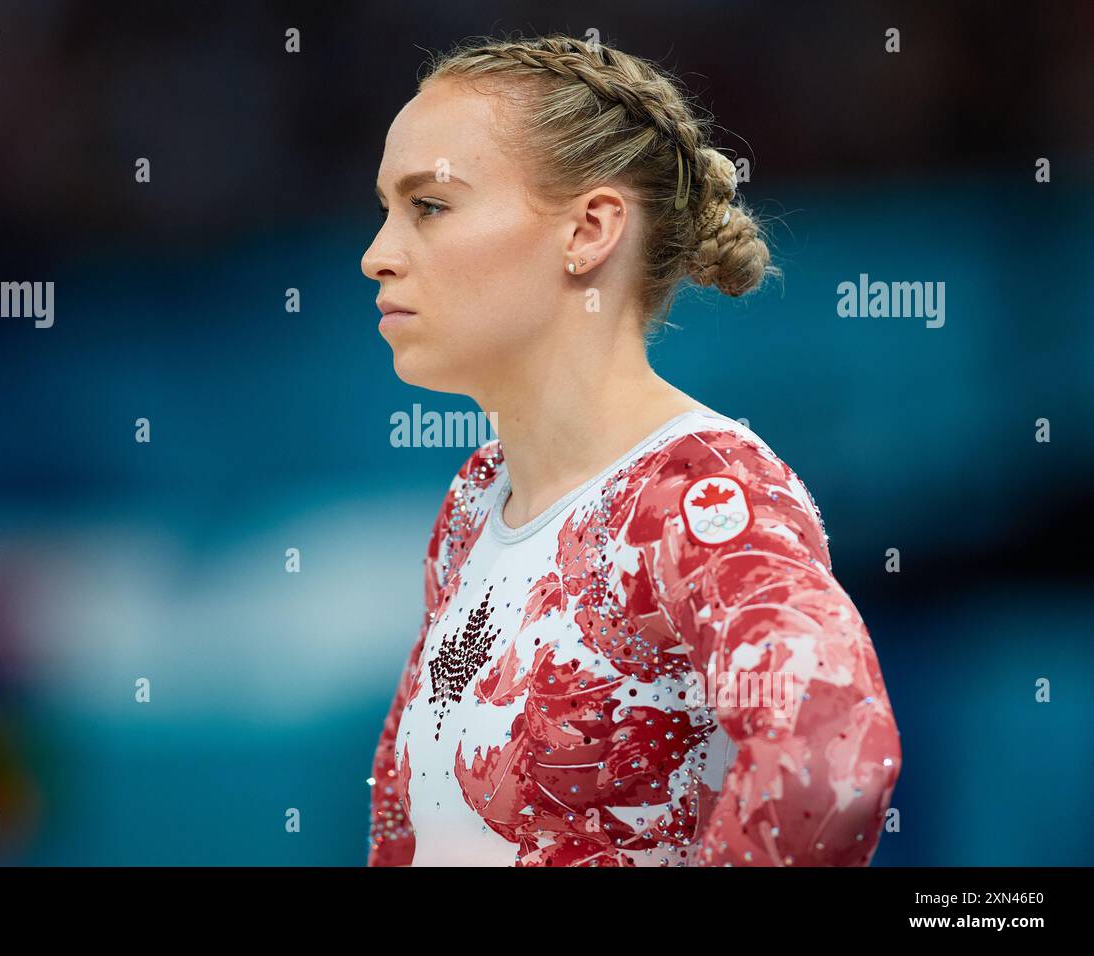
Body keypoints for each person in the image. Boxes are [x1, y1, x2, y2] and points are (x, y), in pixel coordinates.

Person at [361, 33, 901, 866]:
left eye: (429, 205)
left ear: (589, 229)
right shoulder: (476, 504)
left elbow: (831, 755)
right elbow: (410, 829)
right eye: (386, 210)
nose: (378, 255)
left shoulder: (699, 495)